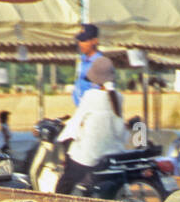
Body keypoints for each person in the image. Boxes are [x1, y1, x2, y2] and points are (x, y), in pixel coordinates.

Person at [55, 56, 129, 194]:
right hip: (113, 153)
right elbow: (120, 128)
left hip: (91, 156)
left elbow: (75, 122)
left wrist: (64, 135)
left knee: (65, 182)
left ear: (95, 79)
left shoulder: (90, 96)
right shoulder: (119, 97)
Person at [72, 23, 104, 108]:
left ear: (95, 41)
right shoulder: (82, 61)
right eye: (80, 40)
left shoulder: (100, 63)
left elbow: (104, 91)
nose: (81, 44)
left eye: (84, 40)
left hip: (94, 110)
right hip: (81, 109)